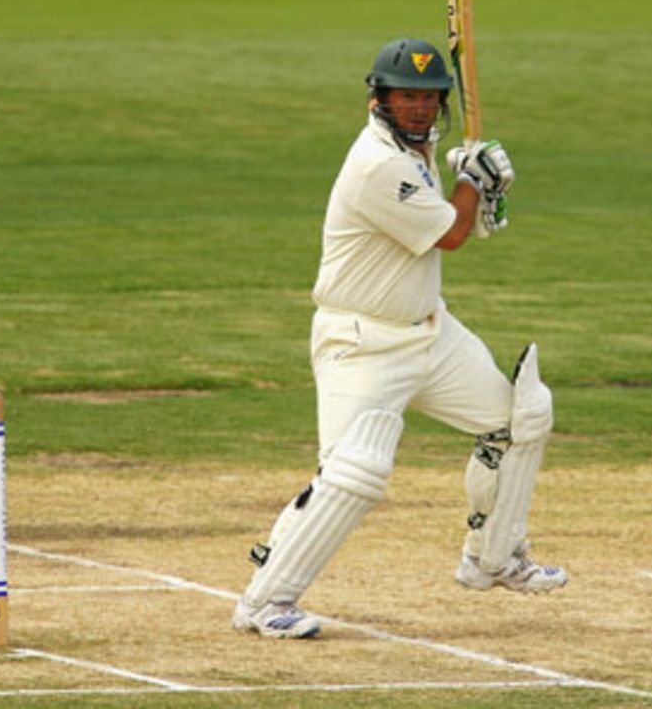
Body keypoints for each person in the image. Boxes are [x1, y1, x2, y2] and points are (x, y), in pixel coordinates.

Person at [232, 38, 567, 639]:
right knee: (352, 474)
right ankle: (264, 603)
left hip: (430, 334)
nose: (418, 108)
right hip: (360, 343)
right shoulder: (376, 164)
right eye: (405, 96)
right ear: (377, 99)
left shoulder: (418, 144)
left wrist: (481, 185)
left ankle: (493, 558)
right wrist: (472, 183)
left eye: (429, 97)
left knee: (521, 417)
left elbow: (467, 218)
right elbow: (453, 235)